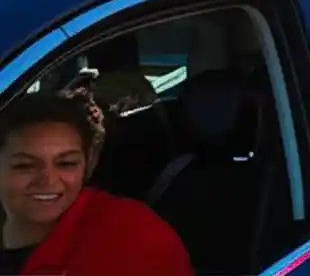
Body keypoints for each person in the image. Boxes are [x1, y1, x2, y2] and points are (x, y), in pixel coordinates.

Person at [0, 89, 193, 275]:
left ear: (88, 163)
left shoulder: (130, 237)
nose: (48, 180)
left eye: (66, 164)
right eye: (24, 166)